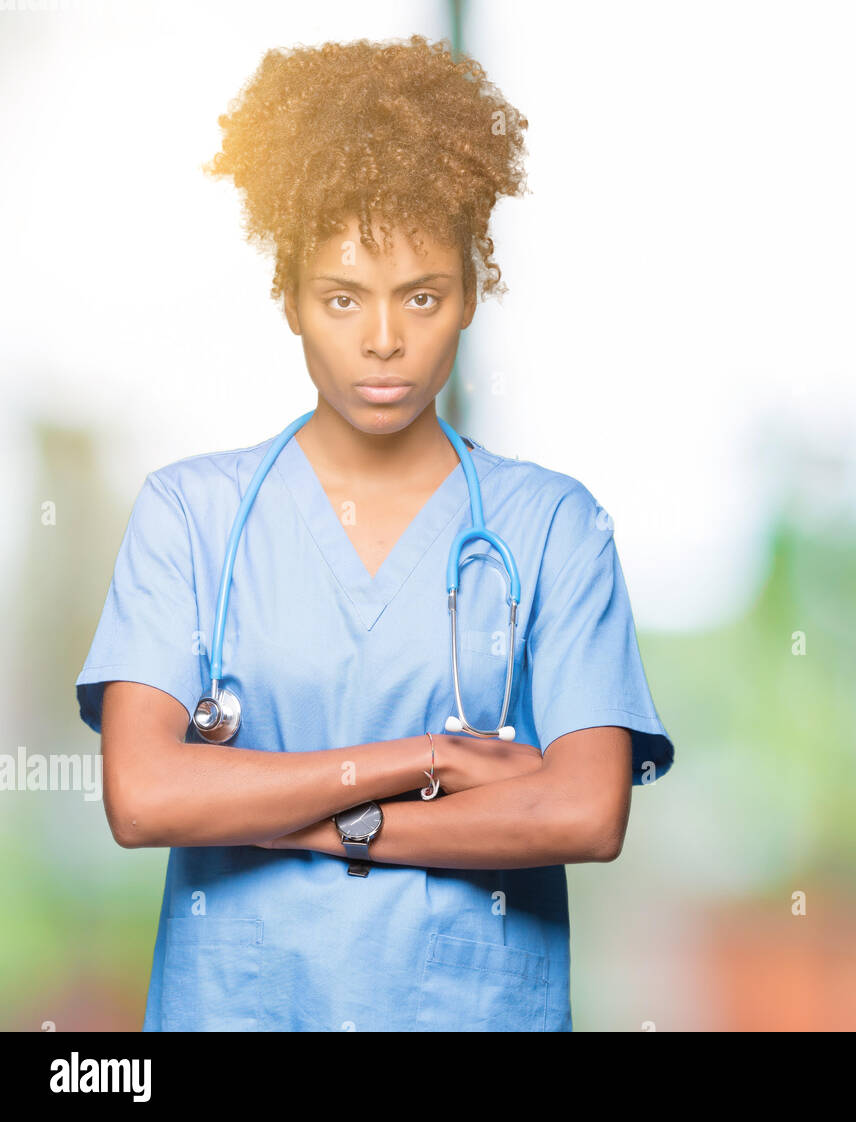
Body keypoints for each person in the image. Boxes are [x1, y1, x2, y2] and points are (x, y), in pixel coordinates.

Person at [73, 34, 674, 1032]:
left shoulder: (552, 526)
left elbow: (583, 813)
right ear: (290, 302)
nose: (383, 340)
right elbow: (143, 796)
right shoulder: (191, 515)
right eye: (342, 298)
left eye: (422, 296)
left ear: (473, 295)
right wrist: (419, 760)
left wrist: (326, 825)